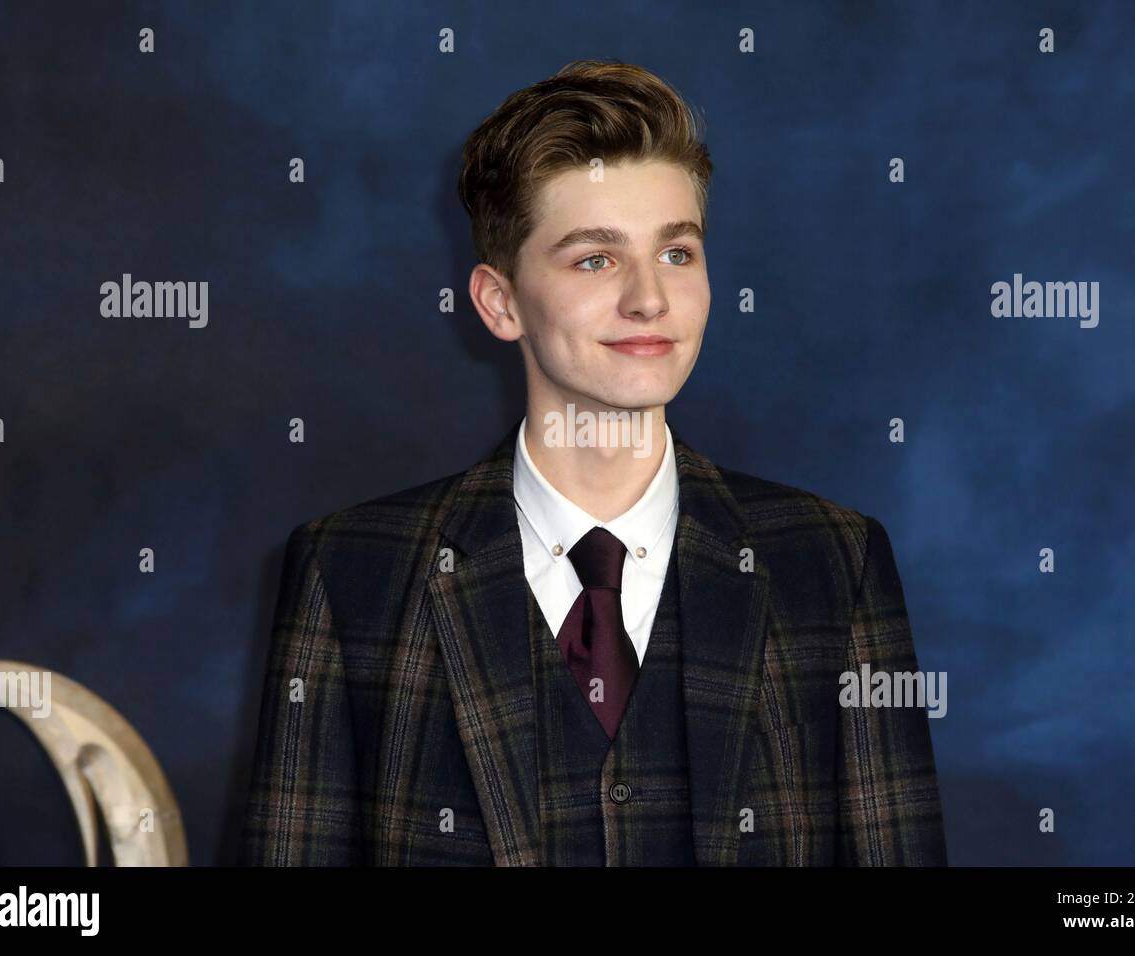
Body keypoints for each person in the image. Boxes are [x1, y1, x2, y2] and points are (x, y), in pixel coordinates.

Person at [239, 58, 946, 866]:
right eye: (595, 259)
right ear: (500, 302)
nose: (649, 298)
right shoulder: (351, 574)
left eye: (676, 253)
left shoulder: (832, 564)